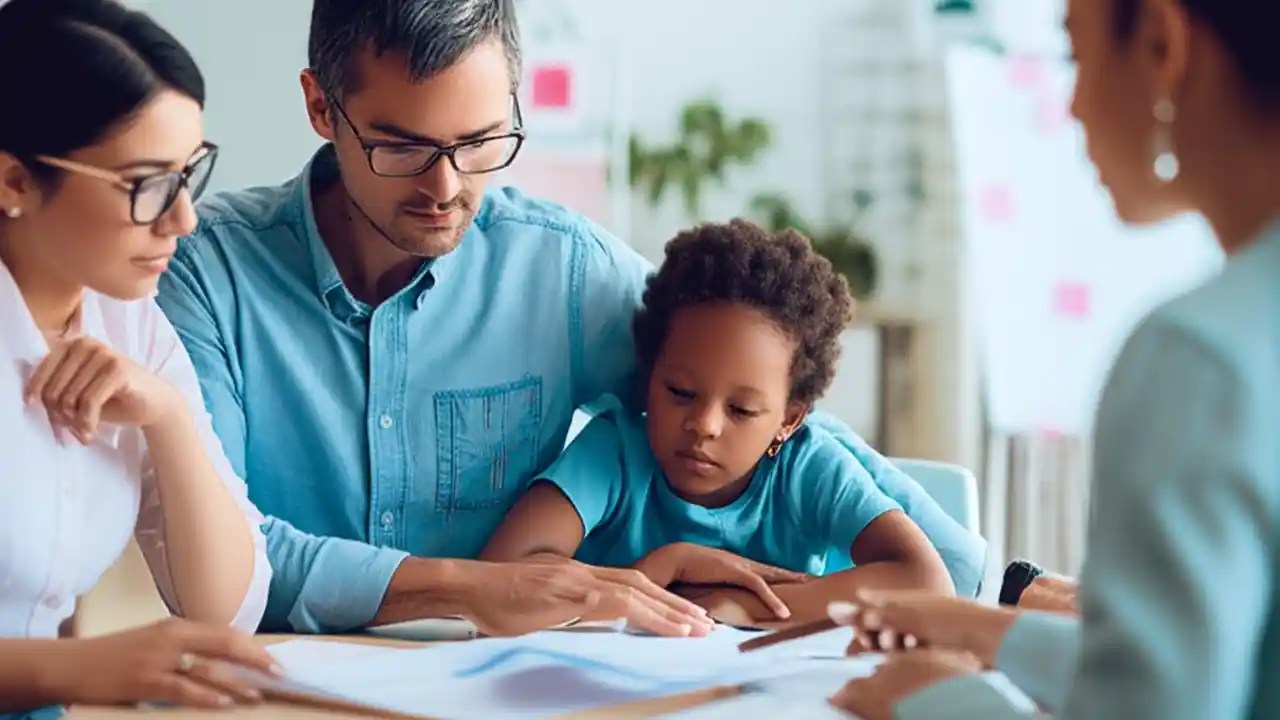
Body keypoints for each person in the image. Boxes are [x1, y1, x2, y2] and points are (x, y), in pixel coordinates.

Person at [155, 0, 986, 637]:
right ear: (320, 107)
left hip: (524, 684)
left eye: (480, 141)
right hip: (283, 691)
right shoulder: (208, 274)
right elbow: (232, 560)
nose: (446, 189)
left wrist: (990, 577)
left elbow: (754, 401)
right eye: (402, 147)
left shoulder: (556, 267)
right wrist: (470, 586)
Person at [829, 0, 1280, 718]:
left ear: (1163, 46)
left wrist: (940, 704)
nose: (1069, 105)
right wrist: (985, 630)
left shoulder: (1198, 359)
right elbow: (1198, 667)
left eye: (1075, 56)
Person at [0, 0, 281, 715]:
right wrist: (73, 670)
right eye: (147, 184)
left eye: (188, 175)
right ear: (13, 182)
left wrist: (169, 415)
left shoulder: (130, 321)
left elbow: (225, 610)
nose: (183, 218)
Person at [482, 221, 955, 627]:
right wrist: (660, 570)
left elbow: (927, 582)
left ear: (789, 419)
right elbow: (497, 572)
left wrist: (744, 606)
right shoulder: (617, 451)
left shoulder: (808, 468)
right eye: (681, 393)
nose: (704, 425)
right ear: (649, 377)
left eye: (742, 411)